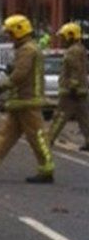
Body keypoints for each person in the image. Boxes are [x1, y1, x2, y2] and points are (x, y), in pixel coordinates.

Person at [0, 15, 55, 184]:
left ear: (19, 31)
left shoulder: (27, 50)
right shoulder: (25, 48)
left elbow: (20, 74)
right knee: (5, 134)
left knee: (36, 137)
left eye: (10, 33)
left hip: (28, 100)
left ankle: (47, 170)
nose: (8, 36)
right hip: (19, 101)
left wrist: (2, 86)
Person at [46, 22, 89, 150]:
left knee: (59, 116)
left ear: (71, 36)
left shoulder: (72, 51)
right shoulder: (81, 49)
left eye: (64, 37)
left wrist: (72, 86)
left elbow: (75, 69)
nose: (63, 40)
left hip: (71, 91)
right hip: (81, 91)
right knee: (84, 118)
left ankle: (49, 140)